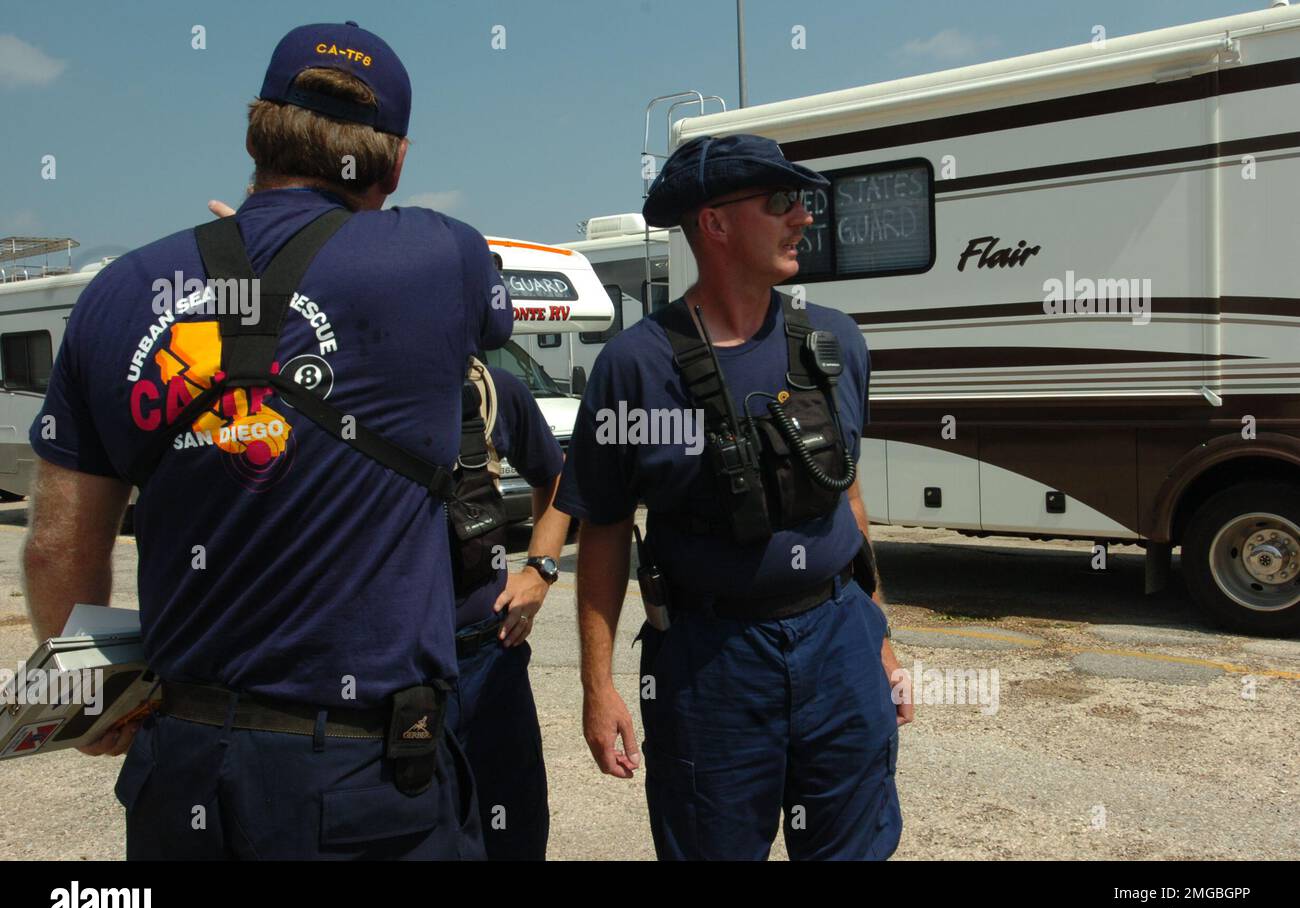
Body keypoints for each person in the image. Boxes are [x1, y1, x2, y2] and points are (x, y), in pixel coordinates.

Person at [21, 21, 512, 860]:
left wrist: (91, 692)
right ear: (393, 162)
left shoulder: (118, 293)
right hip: (364, 780)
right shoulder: (443, 256)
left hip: (183, 766)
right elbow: (480, 334)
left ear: (256, 134)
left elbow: (56, 540)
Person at [555, 134, 914, 861]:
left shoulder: (837, 343)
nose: (803, 218)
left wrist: (880, 634)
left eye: (801, 201)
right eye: (780, 201)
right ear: (714, 224)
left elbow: (846, 495)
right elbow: (602, 532)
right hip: (709, 662)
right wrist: (599, 688)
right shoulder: (637, 367)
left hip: (838, 639)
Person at [444, 361, 569, 861]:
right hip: (390, 672)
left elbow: (556, 475)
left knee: (514, 836)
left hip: (488, 658)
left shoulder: (489, 389)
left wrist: (540, 569)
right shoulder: (347, 380)